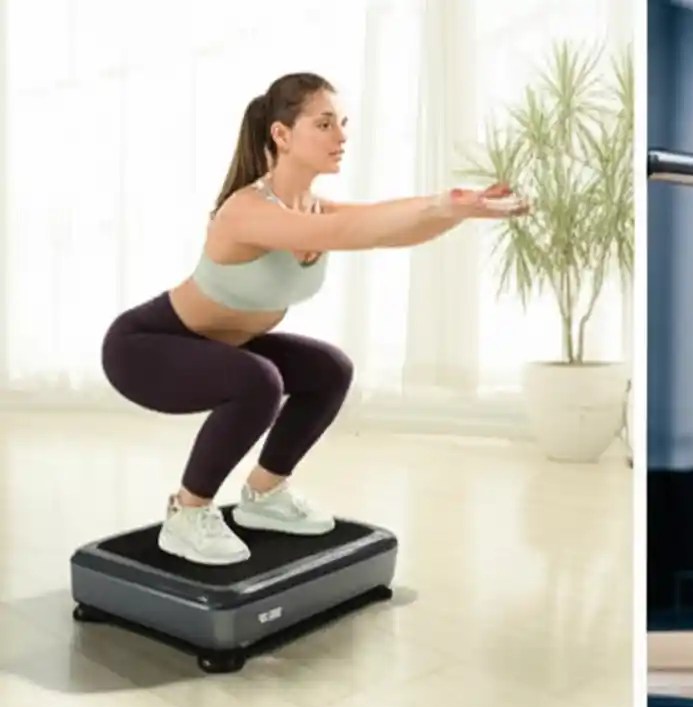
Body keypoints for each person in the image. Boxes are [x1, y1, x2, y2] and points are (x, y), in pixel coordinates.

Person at [101, 73, 527, 567]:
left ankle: (264, 496)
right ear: (281, 135)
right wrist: (439, 204)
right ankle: (187, 513)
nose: (341, 136)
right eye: (325, 124)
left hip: (222, 347)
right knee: (259, 380)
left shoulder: (310, 207)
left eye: (343, 123)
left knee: (329, 369)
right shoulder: (245, 211)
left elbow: (389, 229)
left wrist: (461, 208)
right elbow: (353, 230)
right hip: (145, 349)